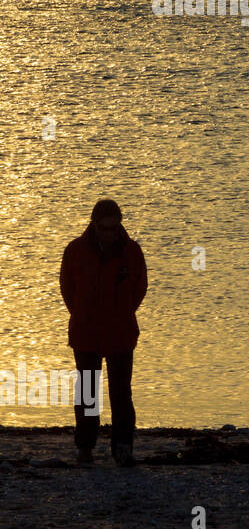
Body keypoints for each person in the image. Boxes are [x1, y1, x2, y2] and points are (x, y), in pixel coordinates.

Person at [60, 200, 147, 468]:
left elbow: (140, 287)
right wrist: (82, 314)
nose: (108, 233)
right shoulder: (75, 250)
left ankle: (123, 449)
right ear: (94, 224)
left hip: (121, 332)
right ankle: (85, 447)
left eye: (113, 227)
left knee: (121, 392)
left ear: (119, 224)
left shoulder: (131, 251)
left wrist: (122, 313)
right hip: (85, 332)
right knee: (87, 391)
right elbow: (67, 288)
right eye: (103, 228)